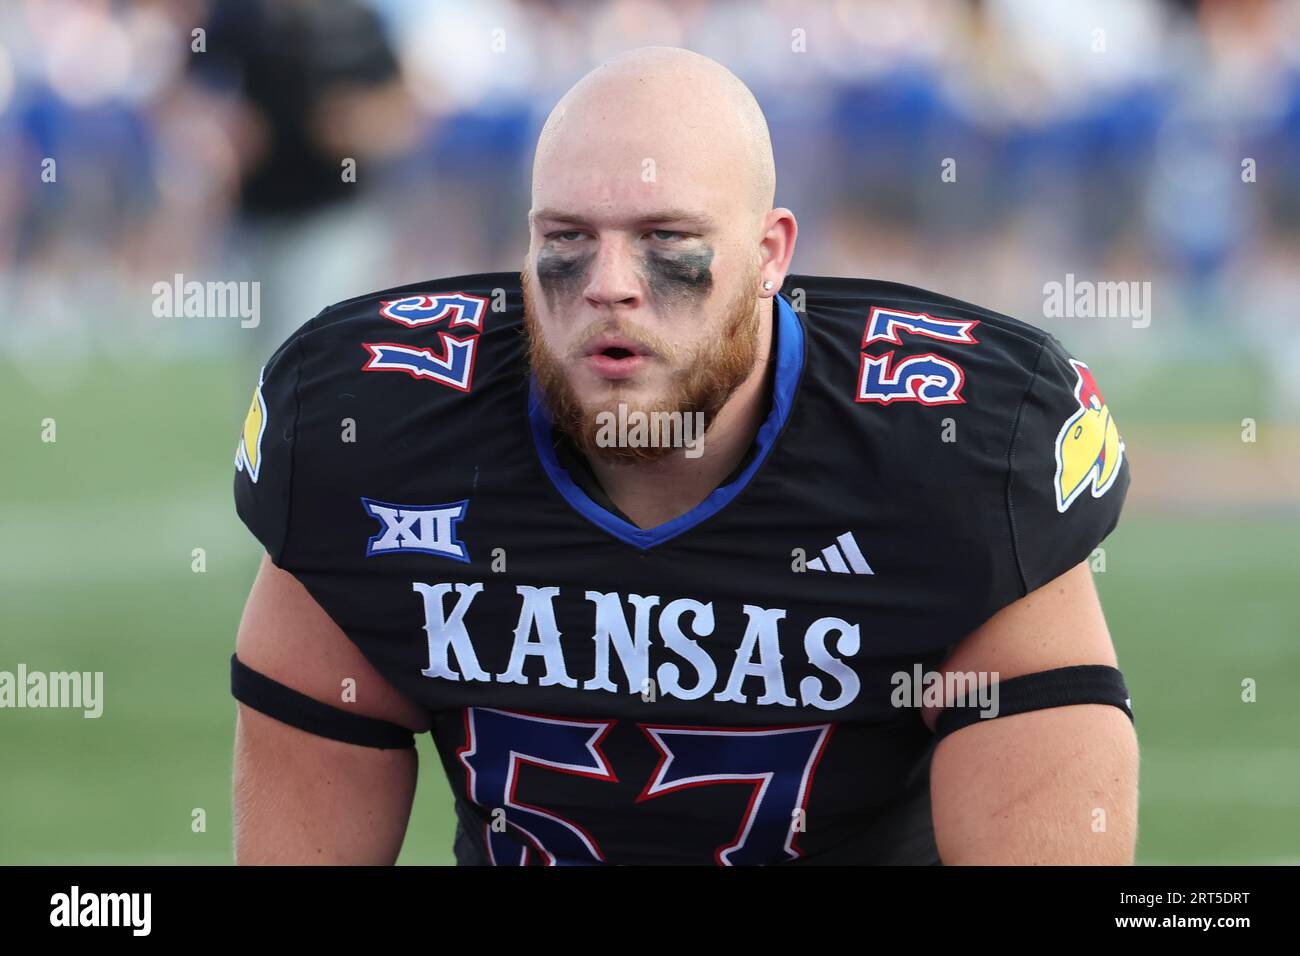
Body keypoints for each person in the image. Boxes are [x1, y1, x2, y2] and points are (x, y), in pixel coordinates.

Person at [230, 47, 1137, 865]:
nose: (610, 285)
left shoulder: (958, 453)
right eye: (566, 241)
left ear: (770, 254)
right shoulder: (373, 434)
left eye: (667, 240)